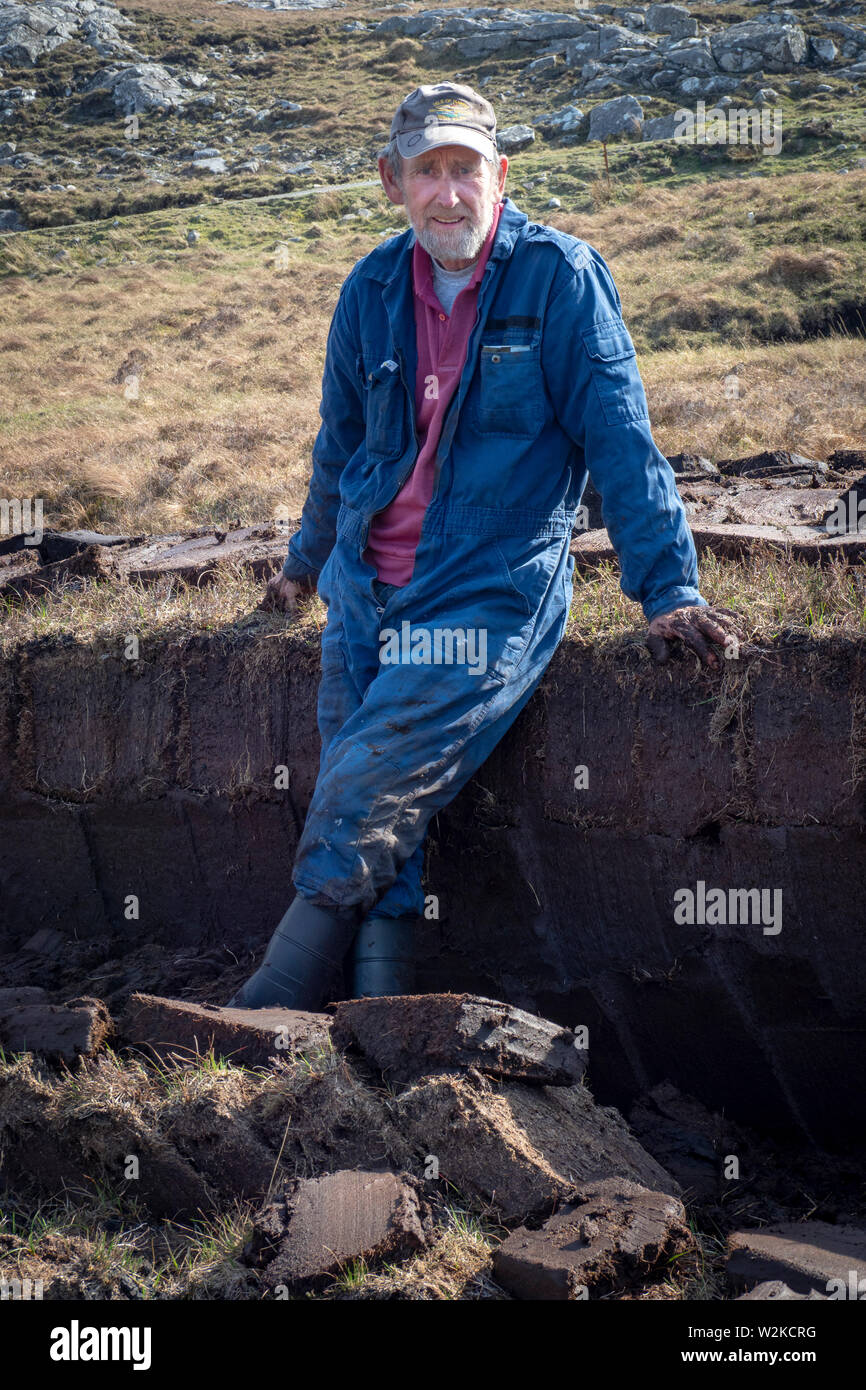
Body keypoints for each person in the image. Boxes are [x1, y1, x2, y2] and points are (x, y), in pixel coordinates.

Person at [228, 81, 742, 1011]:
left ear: (499, 175)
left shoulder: (561, 278)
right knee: (385, 786)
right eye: (428, 171)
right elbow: (340, 450)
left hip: (487, 587)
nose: (449, 192)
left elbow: (621, 439)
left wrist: (666, 588)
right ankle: (379, 1015)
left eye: (466, 168)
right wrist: (305, 567)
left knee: (368, 771)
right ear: (395, 183)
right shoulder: (371, 289)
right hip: (363, 590)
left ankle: (276, 997)